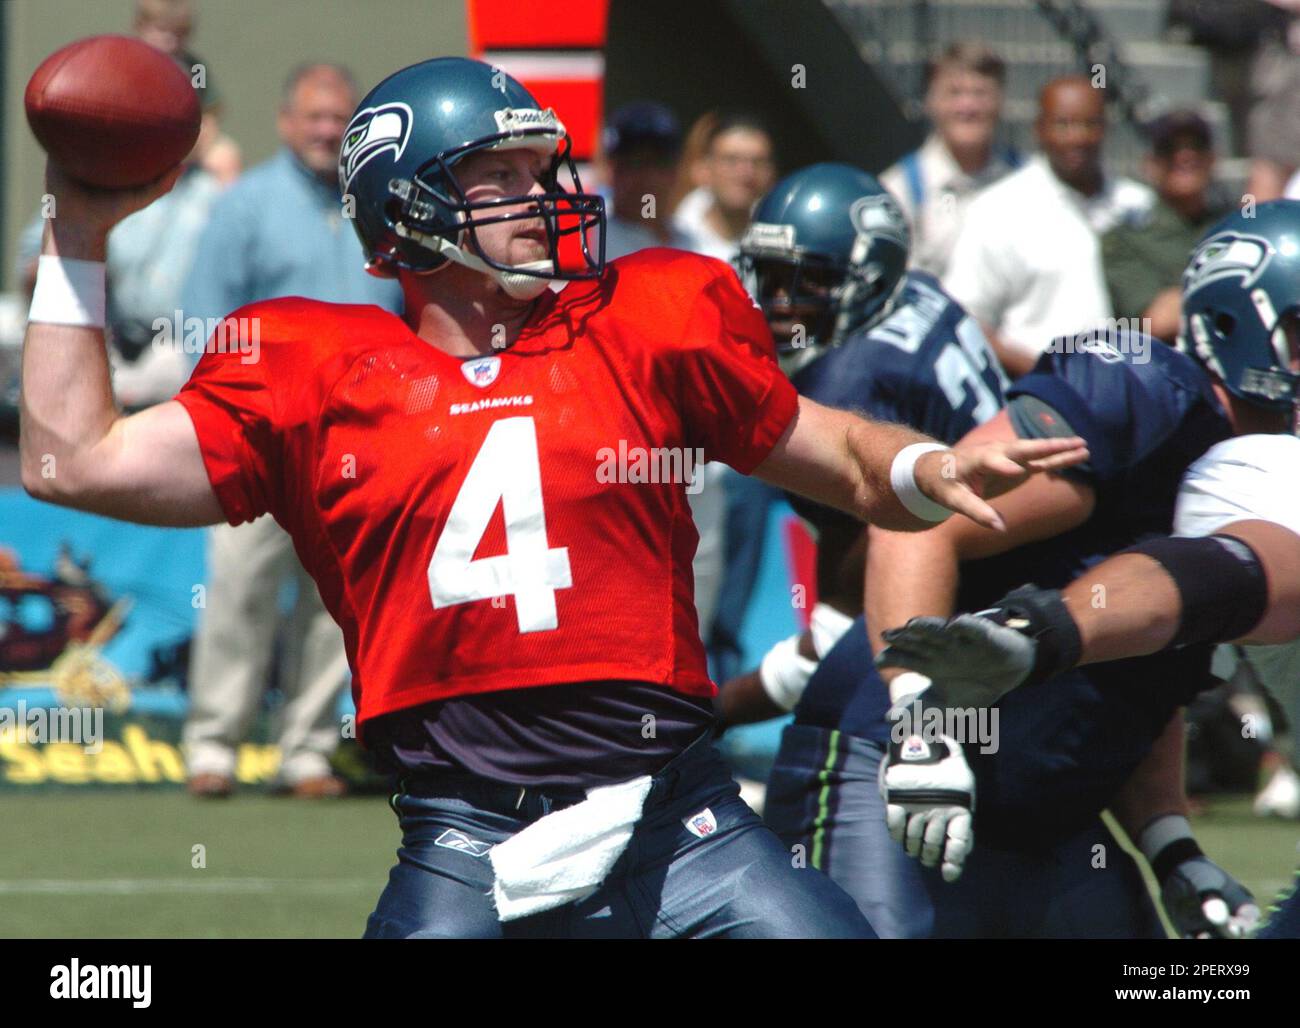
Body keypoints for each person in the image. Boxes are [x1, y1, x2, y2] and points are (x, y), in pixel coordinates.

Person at [19, 55, 1081, 939]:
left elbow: (843, 456)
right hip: (462, 836)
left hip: (681, 817)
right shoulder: (312, 362)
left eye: (545, 167)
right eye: (503, 176)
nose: (548, 197)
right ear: (411, 203)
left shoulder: (644, 315)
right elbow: (75, 460)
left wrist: (922, 468)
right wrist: (78, 231)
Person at [875, 201, 1300, 939]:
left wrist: (1171, 846)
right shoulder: (1144, 394)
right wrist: (920, 723)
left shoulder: (1262, 467)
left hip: (1050, 807)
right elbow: (914, 520)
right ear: (1236, 323)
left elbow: (1150, 680)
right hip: (903, 777)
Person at [716, 162, 1006, 736]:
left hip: (957, 620)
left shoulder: (850, 389)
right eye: (769, 276)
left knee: (814, 762)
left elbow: (835, 632)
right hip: (1005, 578)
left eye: (804, 281)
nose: (778, 302)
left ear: (870, 277)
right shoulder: (918, 293)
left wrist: (712, 715)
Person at [179, 63, 403, 799]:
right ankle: (214, 747)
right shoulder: (243, 205)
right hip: (261, 442)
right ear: (284, 122)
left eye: (339, 118)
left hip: (362, 445)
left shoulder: (382, 201)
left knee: (334, 606)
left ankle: (305, 752)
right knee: (239, 590)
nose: (326, 130)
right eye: (313, 117)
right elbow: (201, 323)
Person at [944, 75, 1153, 377]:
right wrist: (1043, 378)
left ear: (1105, 128)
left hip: (1133, 396)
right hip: (1037, 402)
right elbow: (968, 318)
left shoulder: (1138, 205)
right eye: (1063, 124)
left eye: (1088, 124)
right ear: (1039, 130)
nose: (1077, 137)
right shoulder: (999, 210)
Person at [880, 43, 1021, 279]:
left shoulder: (1029, 181)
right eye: (954, 93)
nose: (968, 106)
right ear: (930, 101)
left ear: (1000, 100)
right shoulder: (898, 189)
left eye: (980, 93)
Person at [1102, 111, 1226, 342]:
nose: (1185, 156)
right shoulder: (1123, 239)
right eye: (1169, 148)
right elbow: (1157, 321)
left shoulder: (1234, 226)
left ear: (1213, 159)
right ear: (1150, 164)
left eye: (1197, 146)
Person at [599, 102, 690, 260]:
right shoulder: (592, 241)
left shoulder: (694, 242)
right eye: (634, 163)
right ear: (612, 169)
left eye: (659, 162)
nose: (647, 176)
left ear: (676, 171)